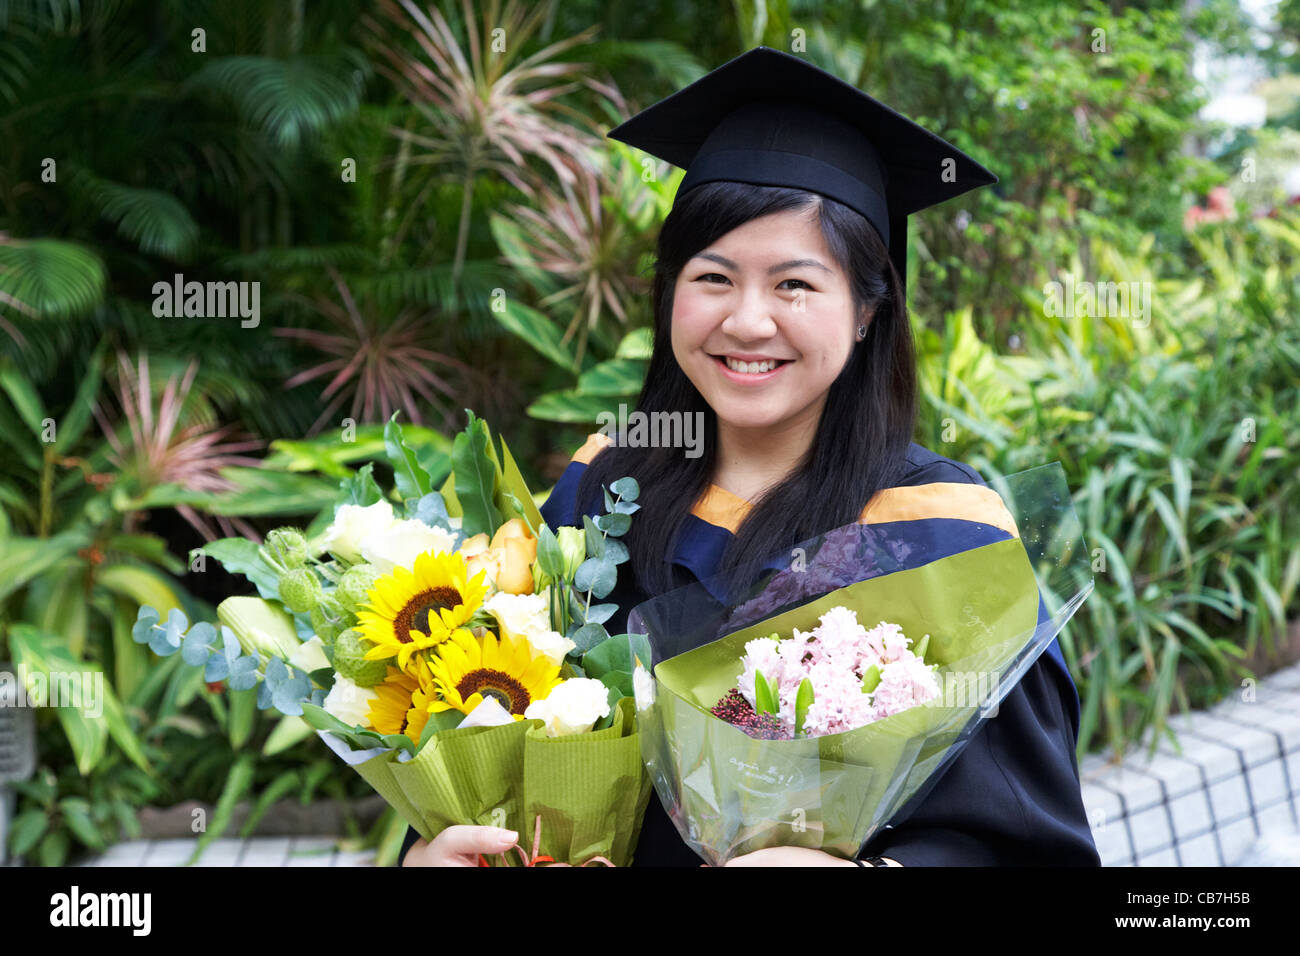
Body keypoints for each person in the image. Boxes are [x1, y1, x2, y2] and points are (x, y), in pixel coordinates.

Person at [401, 46, 1100, 867]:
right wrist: (428, 853)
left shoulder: (938, 532)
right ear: (671, 292)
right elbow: (478, 739)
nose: (747, 321)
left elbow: (1022, 842)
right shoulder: (597, 490)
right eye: (713, 277)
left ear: (868, 310)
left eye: (795, 285)